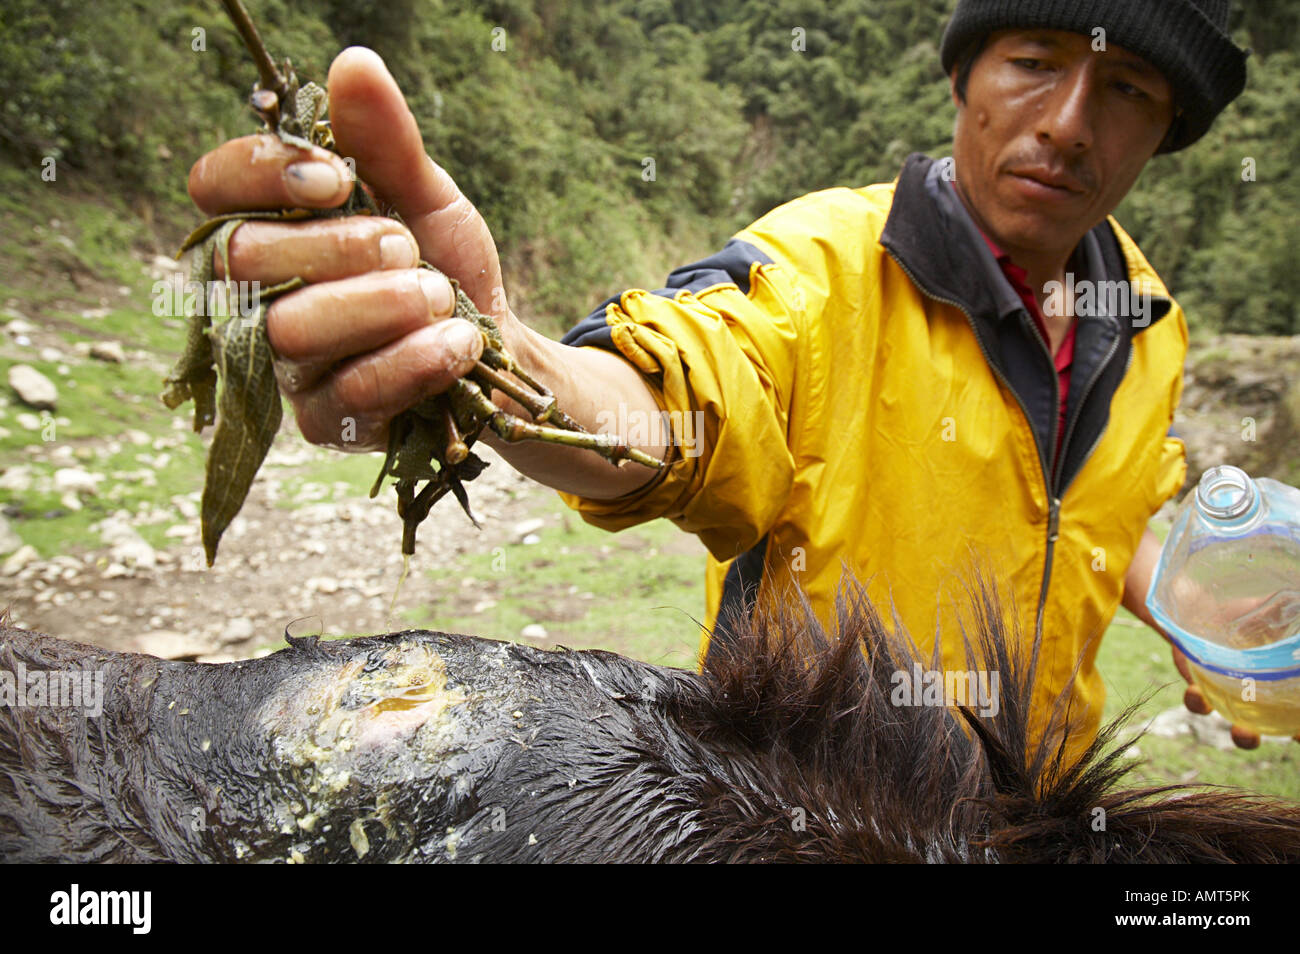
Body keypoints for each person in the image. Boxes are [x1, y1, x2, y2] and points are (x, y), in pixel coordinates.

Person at [187, 0, 1276, 758]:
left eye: (1125, 87)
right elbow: (684, 396)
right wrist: (502, 359)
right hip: (812, 819)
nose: (1067, 121)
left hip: (1043, 812)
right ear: (963, 75)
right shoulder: (820, 271)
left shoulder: (1142, 310)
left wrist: (1199, 611)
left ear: (1166, 131)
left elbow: (1108, 507)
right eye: (1033, 61)